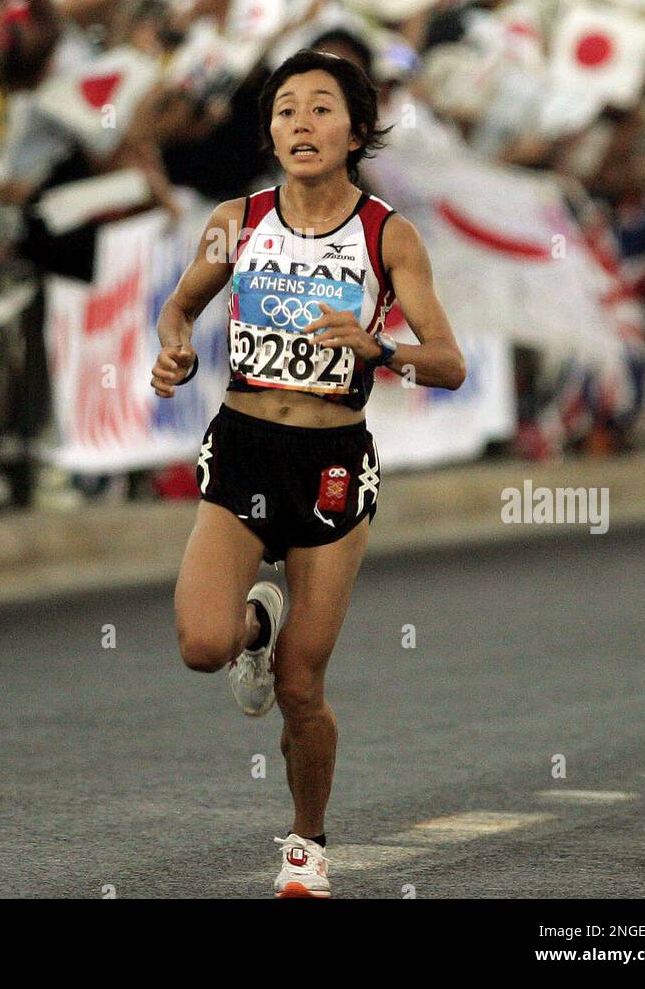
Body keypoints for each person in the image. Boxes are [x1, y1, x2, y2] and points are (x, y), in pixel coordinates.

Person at [151, 48, 466, 897]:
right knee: (201, 645)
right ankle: (252, 625)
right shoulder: (236, 218)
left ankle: (305, 843)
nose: (300, 124)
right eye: (285, 110)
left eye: (321, 109)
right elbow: (180, 307)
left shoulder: (386, 234)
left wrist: (382, 348)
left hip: (331, 465)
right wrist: (175, 349)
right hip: (244, 445)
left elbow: (448, 362)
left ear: (356, 131)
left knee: (300, 686)